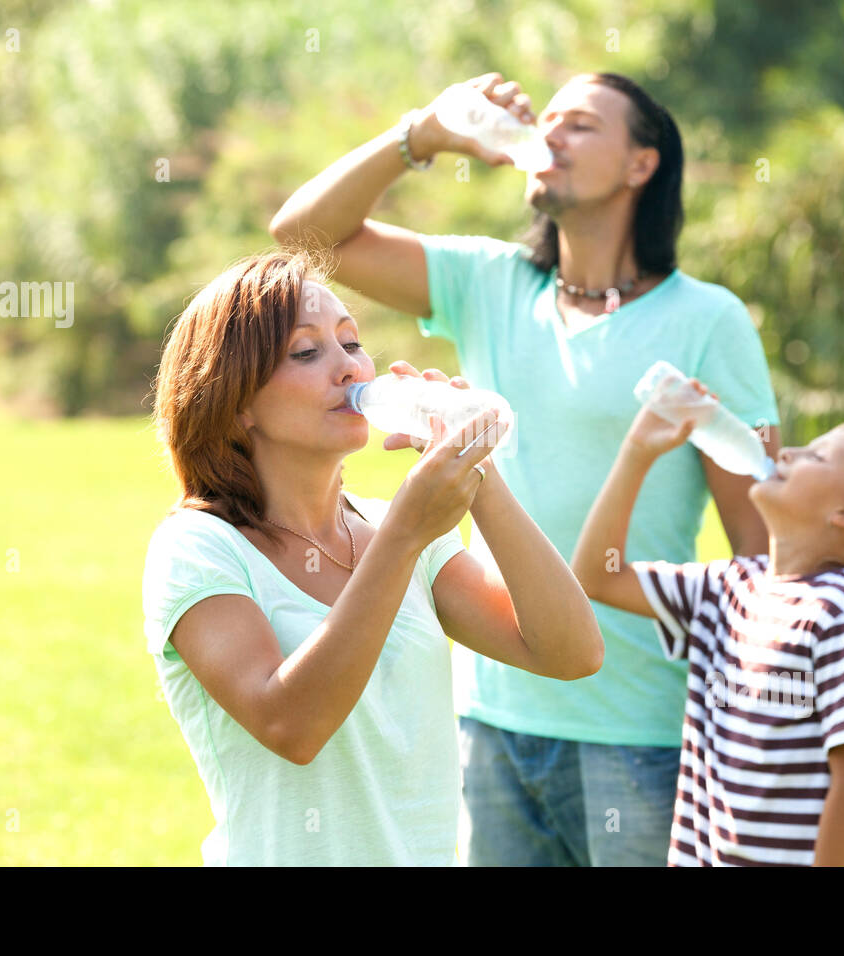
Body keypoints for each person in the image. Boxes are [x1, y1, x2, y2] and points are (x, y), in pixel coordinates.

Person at [270, 71, 781, 865]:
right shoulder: (490, 283)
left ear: (641, 164)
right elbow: (303, 237)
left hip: (643, 730)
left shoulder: (708, 319)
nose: (551, 137)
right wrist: (425, 134)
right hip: (493, 719)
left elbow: (760, 547)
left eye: (579, 125)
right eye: (547, 122)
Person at [141, 249, 602, 866]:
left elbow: (569, 651)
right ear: (236, 400)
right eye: (307, 352)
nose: (349, 369)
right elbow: (292, 726)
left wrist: (480, 473)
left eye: (352, 343)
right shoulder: (198, 548)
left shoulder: (397, 528)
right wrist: (405, 535)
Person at [570, 392, 844, 865]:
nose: (788, 452)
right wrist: (637, 451)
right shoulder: (725, 588)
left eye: (817, 457)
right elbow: (596, 576)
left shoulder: (841, 613)